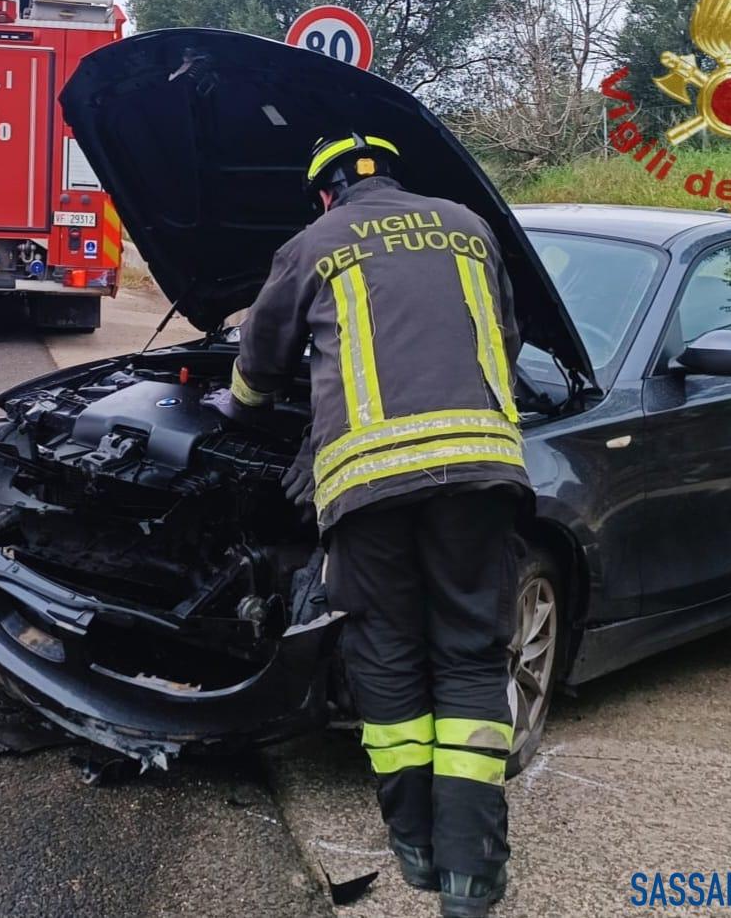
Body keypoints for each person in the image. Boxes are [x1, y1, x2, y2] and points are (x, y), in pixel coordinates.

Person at [212, 133, 531, 917]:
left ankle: (414, 845)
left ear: (323, 193)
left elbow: (259, 362)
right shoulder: (466, 224)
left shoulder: (314, 240)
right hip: (481, 473)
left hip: (369, 483)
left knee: (386, 652)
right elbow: (506, 337)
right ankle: (470, 877)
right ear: (391, 177)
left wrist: (242, 410)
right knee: (468, 657)